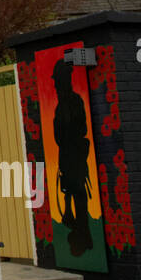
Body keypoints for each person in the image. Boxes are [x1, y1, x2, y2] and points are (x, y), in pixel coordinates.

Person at [51, 59, 93, 255]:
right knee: (70, 189)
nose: (56, 84)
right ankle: (79, 228)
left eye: (58, 80)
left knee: (78, 191)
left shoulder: (73, 101)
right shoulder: (62, 104)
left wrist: (68, 140)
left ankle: (83, 232)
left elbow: (79, 128)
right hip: (67, 154)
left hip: (74, 153)